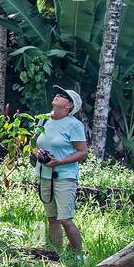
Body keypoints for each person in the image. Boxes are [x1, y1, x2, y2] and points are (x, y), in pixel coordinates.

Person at [32, 87, 89, 254]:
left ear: (69, 106)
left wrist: (60, 161)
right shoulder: (43, 121)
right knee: (52, 218)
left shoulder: (74, 125)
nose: (58, 95)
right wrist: (37, 152)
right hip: (45, 174)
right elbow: (35, 143)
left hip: (64, 176)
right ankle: (56, 253)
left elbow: (83, 151)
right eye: (57, 93)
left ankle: (78, 254)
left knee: (65, 219)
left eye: (64, 96)